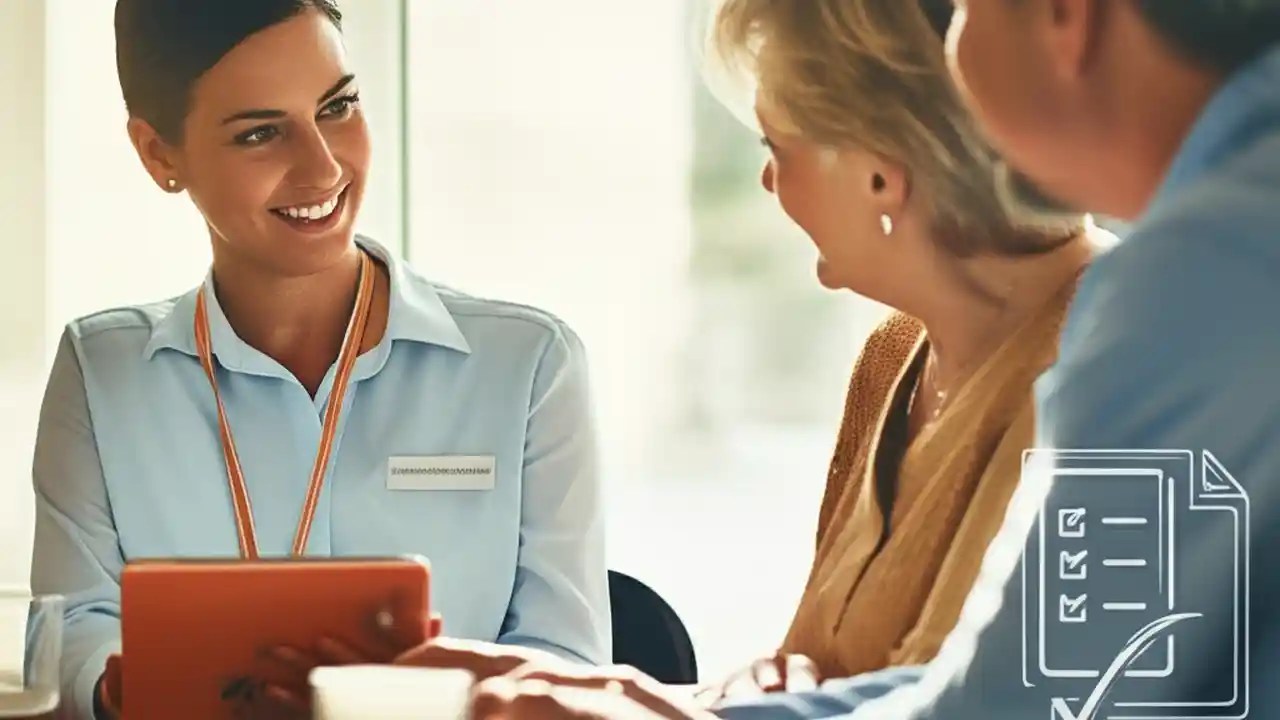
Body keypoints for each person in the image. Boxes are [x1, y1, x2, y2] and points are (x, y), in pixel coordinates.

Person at [456, 0, 1280, 717]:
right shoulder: (906, 353)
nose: (951, 64)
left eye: (965, 8)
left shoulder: (1181, 285)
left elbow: (1020, 701)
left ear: (1064, 14)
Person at [29, 1, 610, 718]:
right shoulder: (102, 370)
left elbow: (570, 663)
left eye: (338, 107)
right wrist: (164, 680)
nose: (324, 164)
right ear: (160, 155)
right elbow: (68, 640)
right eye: (261, 133)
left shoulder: (528, 366)